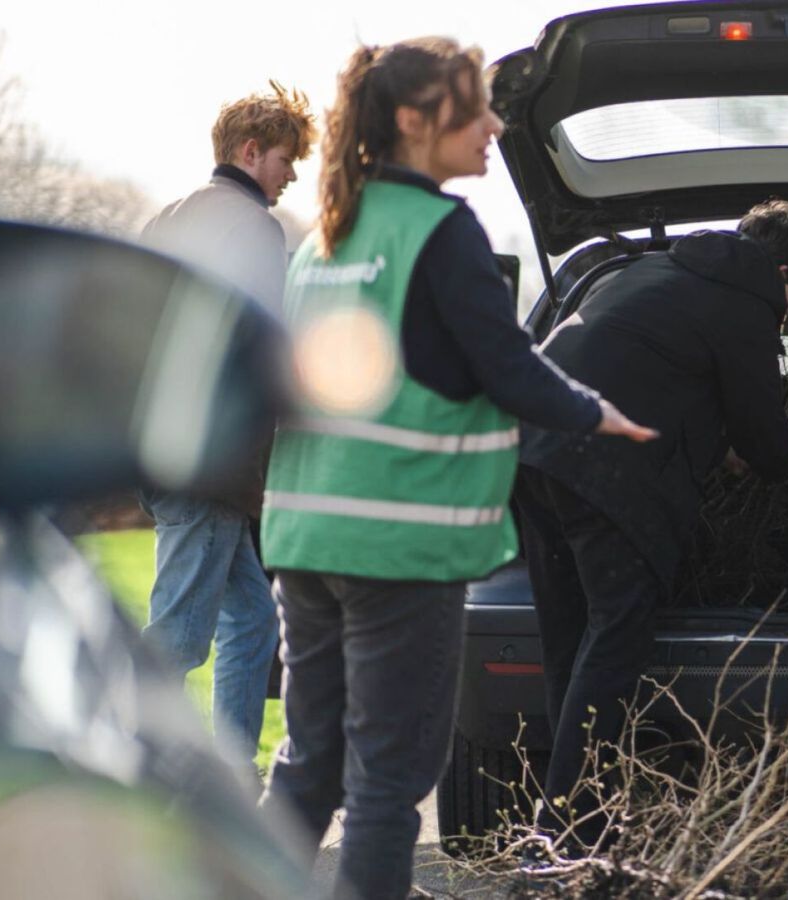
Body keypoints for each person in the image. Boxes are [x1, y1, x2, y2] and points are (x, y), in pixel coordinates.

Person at [256, 38, 655, 900]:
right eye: (474, 110)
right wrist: (600, 413)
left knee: (308, 766)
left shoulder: (325, 237)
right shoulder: (441, 232)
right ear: (411, 121)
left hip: (304, 541)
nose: (494, 126)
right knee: (387, 787)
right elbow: (507, 367)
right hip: (399, 549)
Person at [516, 199, 788, 848]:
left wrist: (721, 447)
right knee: (615, 633)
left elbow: (659, 380)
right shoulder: (748, 302)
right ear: (784, 271)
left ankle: (574, 824)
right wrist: (785, 462)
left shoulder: (643, 271)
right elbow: (764, 431)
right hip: (606, 470)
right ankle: (566, 830)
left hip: (532, 451)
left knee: (569, 644)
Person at [136, 82, 315, 770]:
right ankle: (138, 780)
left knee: (252, 618)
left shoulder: (170, 215)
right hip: (210, 461)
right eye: (285, 158)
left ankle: (235, 776)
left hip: (167, 450)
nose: (292, 174)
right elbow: (264, 342)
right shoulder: (251, 225)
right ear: (250, 150)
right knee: (177, 639)